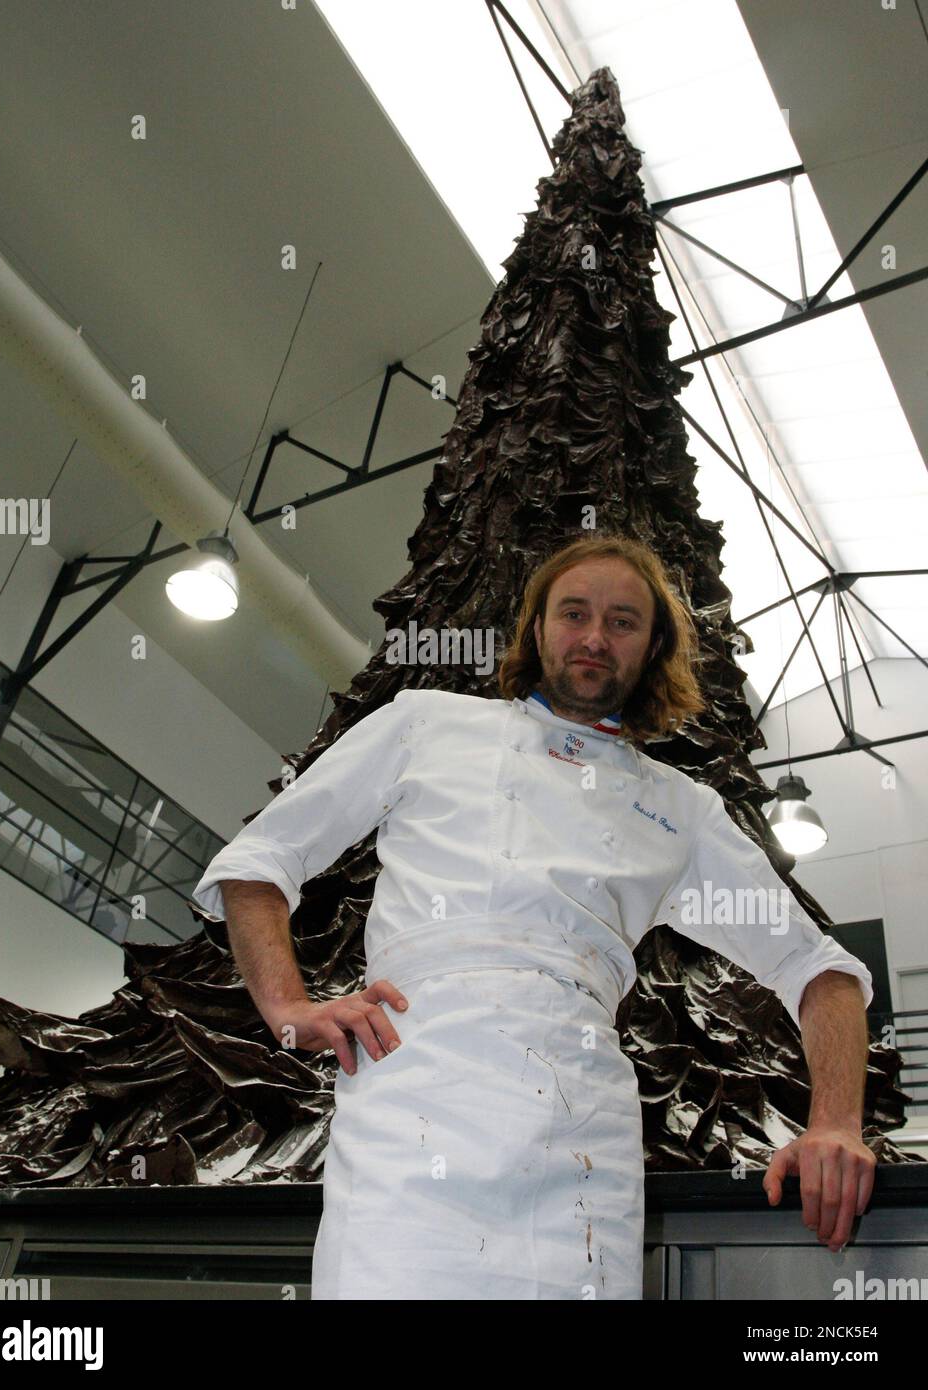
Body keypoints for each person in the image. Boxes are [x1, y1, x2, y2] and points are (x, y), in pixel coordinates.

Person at [190, 535, 875, 1300]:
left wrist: (837, 1124)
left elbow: (821, 972)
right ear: (537, 627)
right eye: (573, 613)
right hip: (411, 1100)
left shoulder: (682, 810)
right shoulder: (425, 724)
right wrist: (289, 1009)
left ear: (653, 648)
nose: (593, 637)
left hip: (580, 1144)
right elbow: (259, 863)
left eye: (622, 622)